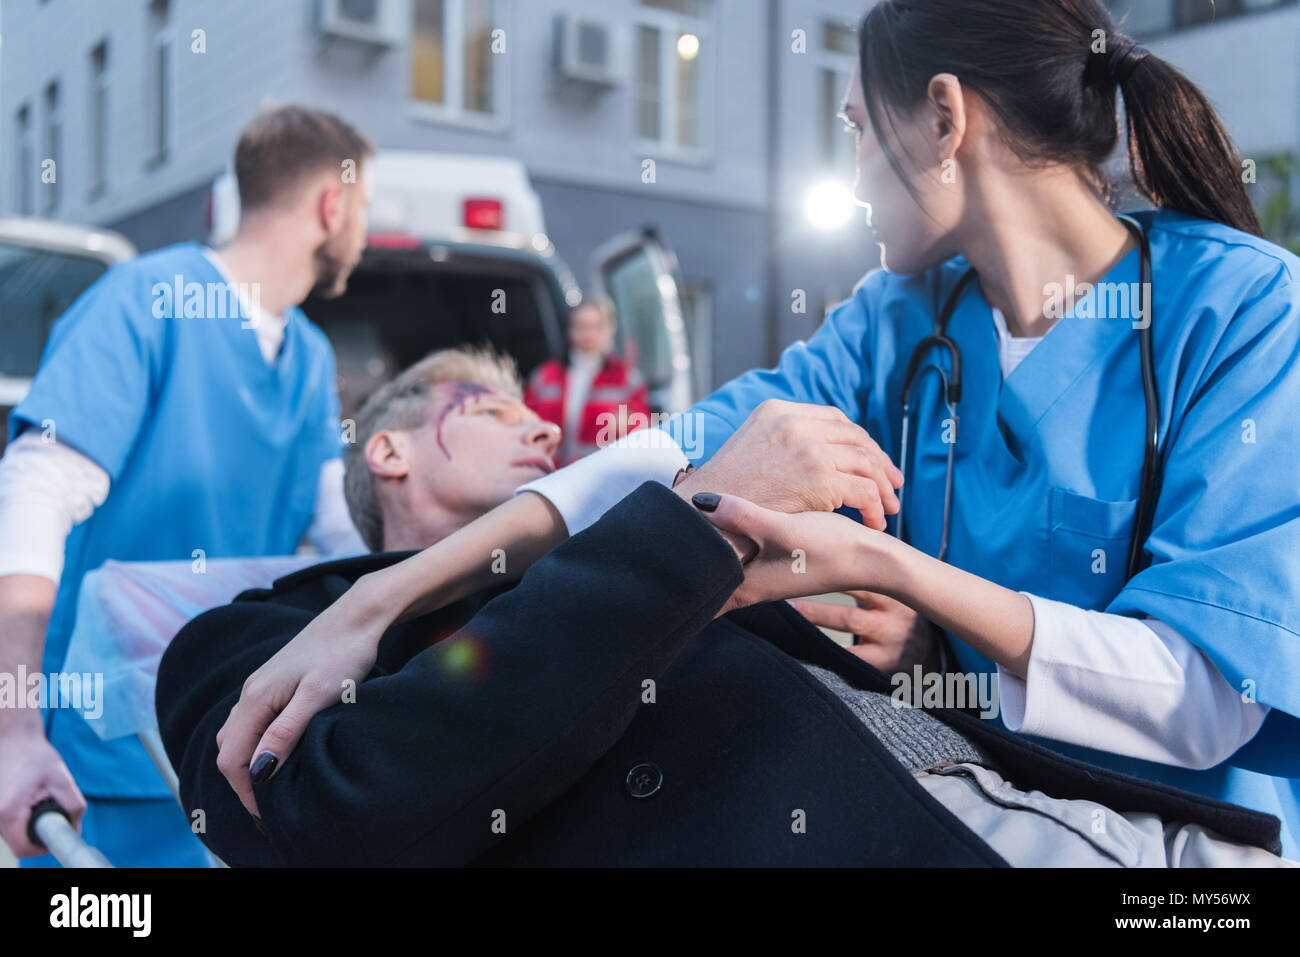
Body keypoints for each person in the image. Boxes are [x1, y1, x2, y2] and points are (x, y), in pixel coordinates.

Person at [210, 0, 1300, 859]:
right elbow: (669, 460)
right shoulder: (900, 319)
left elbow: (1207, 700)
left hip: (1178, 839)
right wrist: (383, 595)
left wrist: (897, 572)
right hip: (951, 793)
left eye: (855, 134)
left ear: (944, 117)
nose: (851, 177)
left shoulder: (1244, 312)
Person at [156, 349, 1294, 866]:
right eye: (485, 407)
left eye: (537, 412)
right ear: (387, 448)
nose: (541, 429)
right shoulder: (255, 636)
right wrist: (691, 528)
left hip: (1099, 832)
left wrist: (909, 654)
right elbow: (341, 815)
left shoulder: (637, 549)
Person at [0, 105, 371, 867]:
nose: (363, 237)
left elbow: (340, 534)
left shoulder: (307, 353)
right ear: (332, 204)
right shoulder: (143, 299)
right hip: (105, 751)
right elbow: (34, 490)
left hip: (228, 740)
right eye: (364, 209)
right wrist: (14, 729)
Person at [524, 296, 650, 465]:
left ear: (610, 329)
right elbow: (524, 423)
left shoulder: (627, 379)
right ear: (570, 330)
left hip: (597, 475)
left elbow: (643, 433)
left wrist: (628, 426)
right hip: (548, 474)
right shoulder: (544, 376)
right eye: (581, 327)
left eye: (596, 327)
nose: (588, 334)